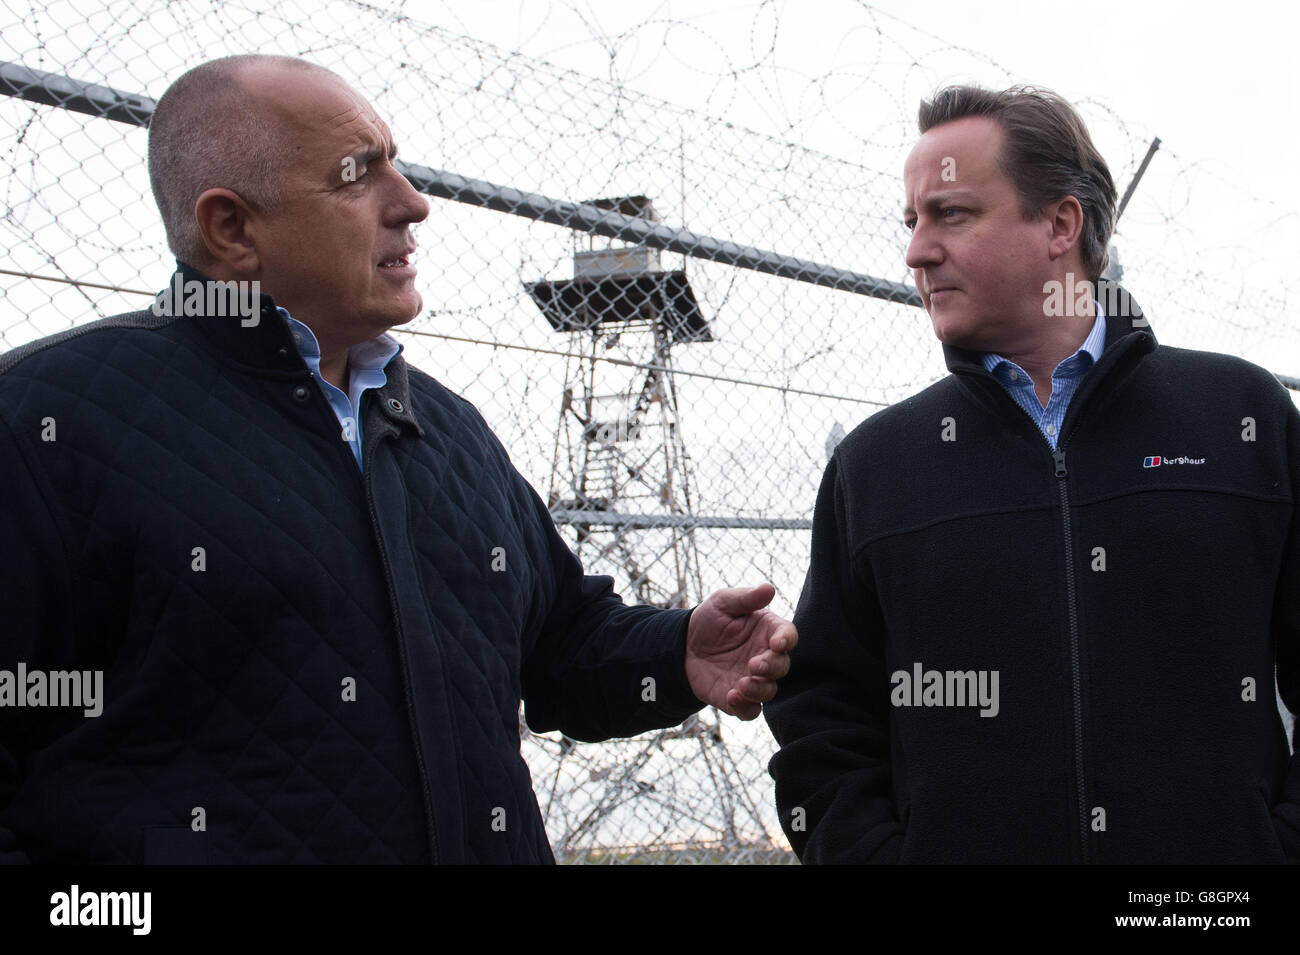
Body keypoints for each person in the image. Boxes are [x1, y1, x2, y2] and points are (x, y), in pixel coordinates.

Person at [0, 54, 795, 864]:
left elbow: (556, 645)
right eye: (358, 176)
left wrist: (676, 652)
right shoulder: (44, 425)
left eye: (399, 164)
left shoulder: (446, 430)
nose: (412, 202)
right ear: (232, 229)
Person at [763, 84, 1300, 864]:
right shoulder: (877, 466)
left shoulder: (1242, 418)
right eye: (911, 221)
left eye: (951, 214)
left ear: (1060, 224)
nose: (916, 250)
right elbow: (821, 714)